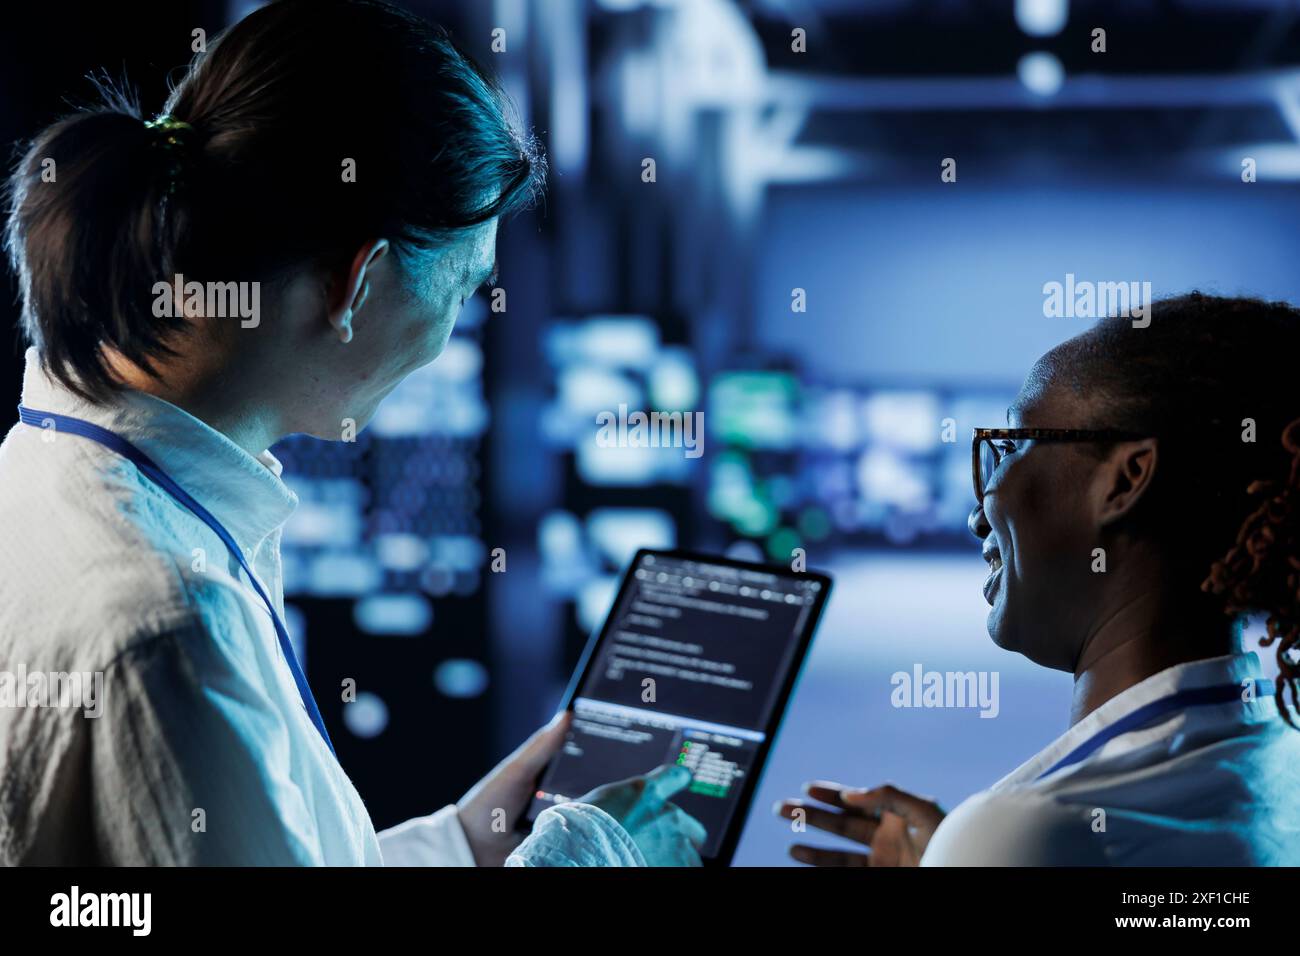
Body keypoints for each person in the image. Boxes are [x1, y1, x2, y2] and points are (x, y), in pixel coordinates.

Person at [0, 0, 705, 867]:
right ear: (359, 283)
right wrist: (588, 858)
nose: (451, 334)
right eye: (462, 288)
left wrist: (464, 840)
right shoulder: (170, 631)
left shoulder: (64, 481)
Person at [779, 293, 1300, 866]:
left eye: (1014, 446)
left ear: (1125, 480)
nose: (977, 512)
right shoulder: (1280, 766)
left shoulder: (1020, 833)